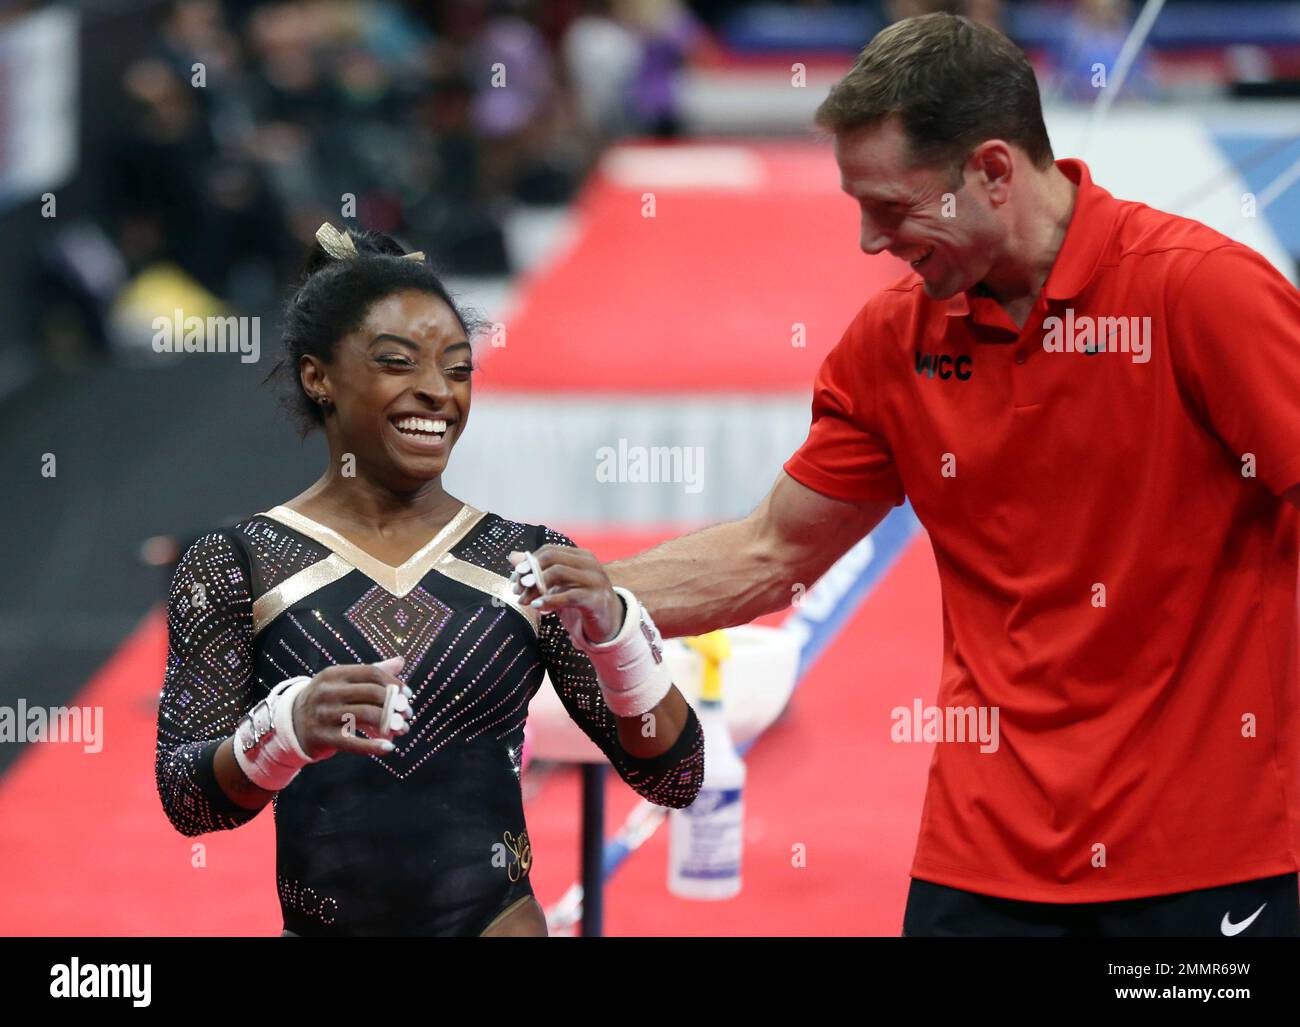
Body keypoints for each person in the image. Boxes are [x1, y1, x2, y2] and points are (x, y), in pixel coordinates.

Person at [516, 13, 1300, 936]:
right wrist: (544, 602)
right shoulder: (894, 344)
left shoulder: (1204, 293)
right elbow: (770, 554)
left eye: (891, 206)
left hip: (1208, 861)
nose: (867, 239)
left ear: (995, 172)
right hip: (983, 860)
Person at [154, 223, 703, 937]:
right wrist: (282, 731)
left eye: (457, 367)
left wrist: (620, 641)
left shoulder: (525, 561)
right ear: (317, 376)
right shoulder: (237, 562)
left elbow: (675, 778)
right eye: (397, 363)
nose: (436, 392)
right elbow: (188, 801)